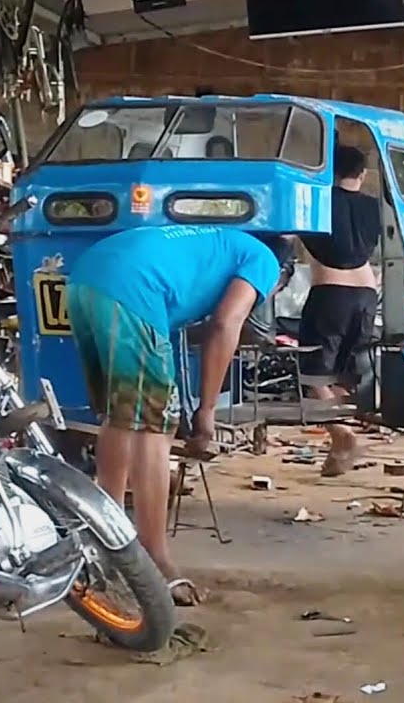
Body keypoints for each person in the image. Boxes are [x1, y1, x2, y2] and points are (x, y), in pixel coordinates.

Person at [67, 225, 292, 606]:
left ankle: (108, 537)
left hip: (84, 280)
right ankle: (154, 557)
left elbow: (203, 321)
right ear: (282, 277)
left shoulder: (217, 245)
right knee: (153, 430)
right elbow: (226, 323)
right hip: (133, 289)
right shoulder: (266, 259)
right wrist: (207, 411)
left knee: (120, 418)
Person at [297, 145, 381, 477]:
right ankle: (338, 448)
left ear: (328, 171)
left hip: (331, 294)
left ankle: (343, 434)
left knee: (312, 373)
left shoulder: (318, 201)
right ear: (363, 174)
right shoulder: (373, 208)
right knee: (344, 373)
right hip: (367, 294)